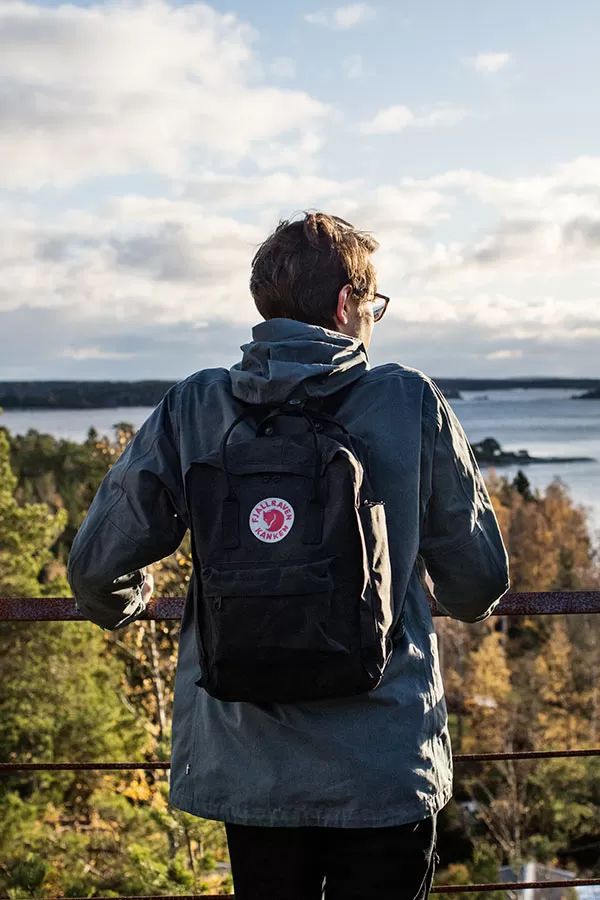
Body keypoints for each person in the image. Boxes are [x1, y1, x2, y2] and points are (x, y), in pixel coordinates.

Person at [68, 212, 509, 900]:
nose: (374, 317)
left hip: (252, 764)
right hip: (385, 764)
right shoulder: (408, 400)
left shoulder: (196, 405)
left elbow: (97, 569)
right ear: (346, 304)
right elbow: (477, 582)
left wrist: (130, 603)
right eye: (374, 304)